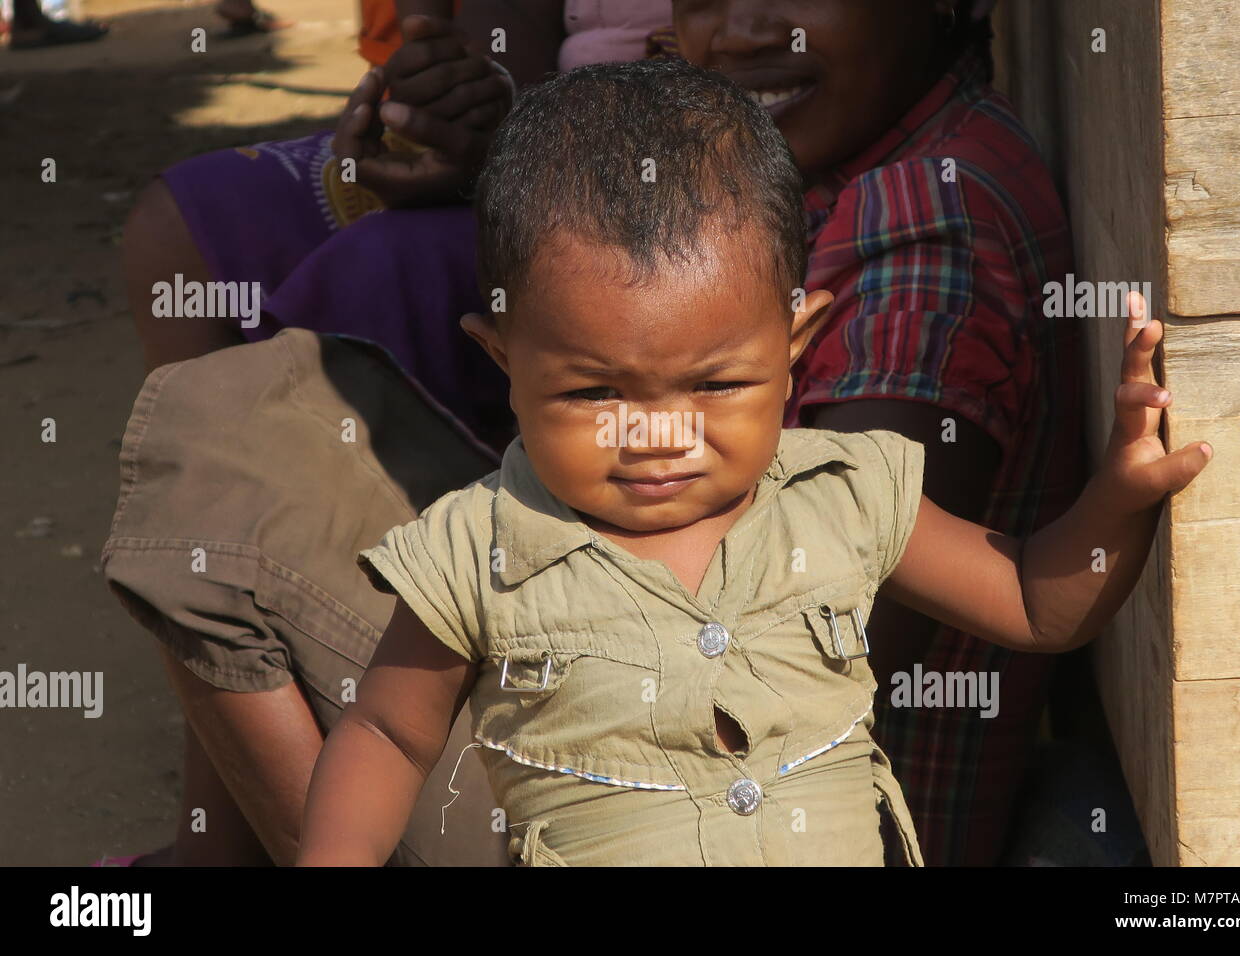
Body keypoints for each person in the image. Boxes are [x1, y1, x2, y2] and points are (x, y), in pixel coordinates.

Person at [105, 0, 1080, 867]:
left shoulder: (920, 238)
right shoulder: (852, 166)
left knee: (215, 443)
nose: (742, 28)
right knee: (347, 320)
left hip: (726, 802)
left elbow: (827, 646)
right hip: (671, 742)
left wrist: (516, 604)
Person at [294, 57, 1210, 867]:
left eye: (716, 385)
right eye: (593, 395)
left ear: (795, 344)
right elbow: (385, 731)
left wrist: (1118, 497)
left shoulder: (843, 495)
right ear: (505, 362)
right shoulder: (478, 546)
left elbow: (1037, 601)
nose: (657, 434)